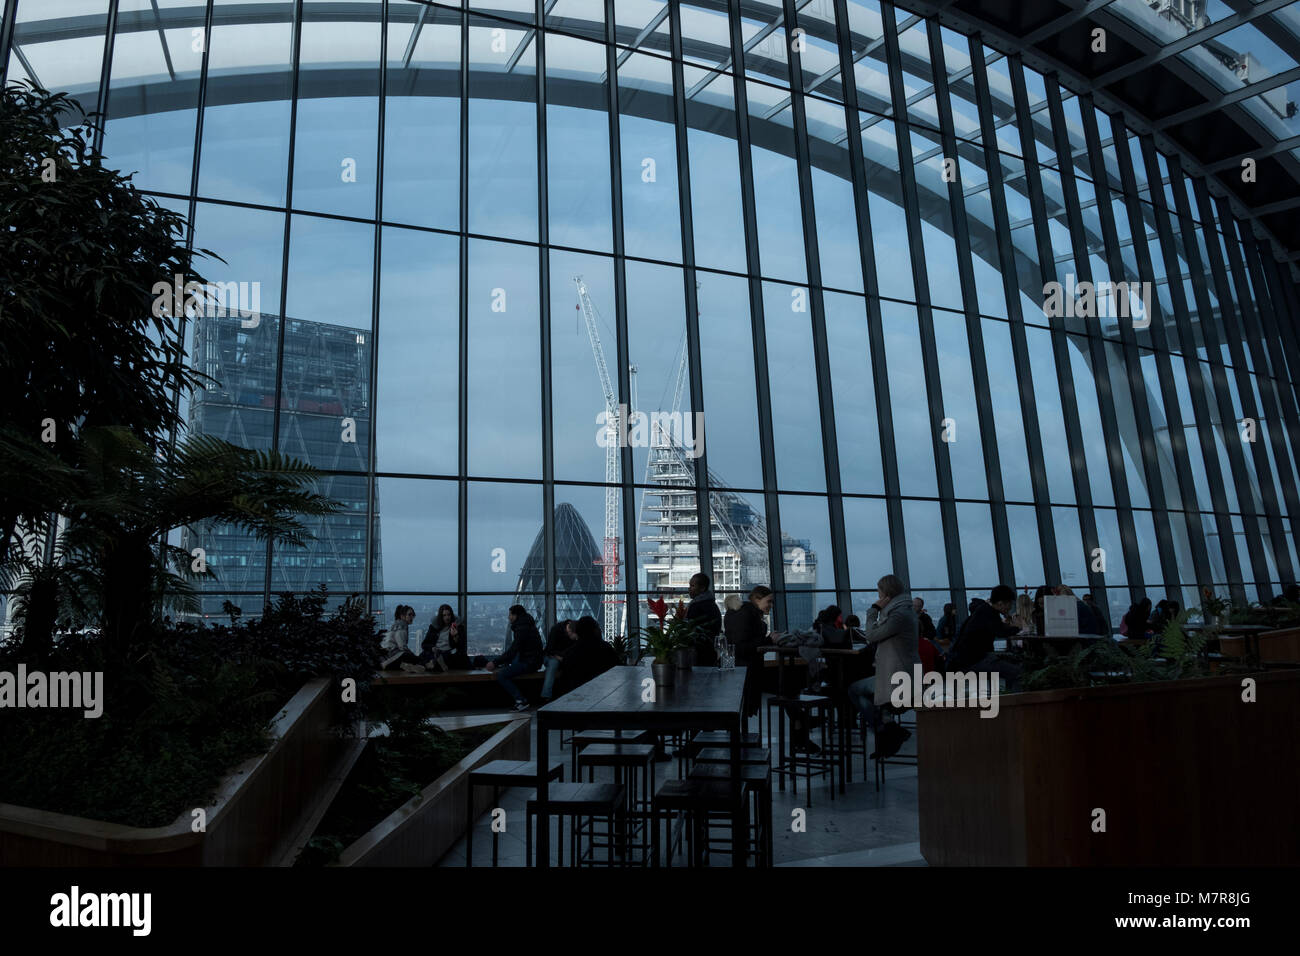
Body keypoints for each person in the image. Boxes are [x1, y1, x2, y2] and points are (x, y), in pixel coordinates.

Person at [846, 575, 920, 753]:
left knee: (855, 690)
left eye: (879, 591)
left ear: (886, 593)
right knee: (870, 696)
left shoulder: (899, 615)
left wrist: (872, 611)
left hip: (900, 678)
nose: (877, 596)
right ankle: (887, 727)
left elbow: (871, 635)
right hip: (901, 673)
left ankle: (887, 729)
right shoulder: (904, 611)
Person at [947, 585, 1022, 690]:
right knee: (1017, 673)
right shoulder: (989, 613)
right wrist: (1018, 627)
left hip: (965, 660)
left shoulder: (983, 610)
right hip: (973, 661)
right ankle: (1015, 701)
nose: (1010, 608)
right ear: (1001, 603)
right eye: (1009, 604)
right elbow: (1001, 632)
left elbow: (997, 628)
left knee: (1008, 666)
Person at [731, 585, 777, 724]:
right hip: (747, 670)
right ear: (757, 599)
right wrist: (770, 640)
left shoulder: (745, 613)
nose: (771, 605)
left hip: (744, 669)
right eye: (769, 601)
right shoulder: (749, 615)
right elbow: (743, 646)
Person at [485, 604, 544, 711]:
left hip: (529, 662)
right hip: (532, 659)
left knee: (502, 675)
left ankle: (520, 700)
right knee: (507, 667)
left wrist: (495, 662)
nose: (509, 617)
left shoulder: (522, 628)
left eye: (510, 614)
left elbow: (513, 650)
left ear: (516, 615)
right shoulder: (526, 624)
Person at [553, 615, 619, 695]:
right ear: (595, 629)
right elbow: (617, 667)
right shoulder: (606, 648)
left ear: (578, 631)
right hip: (605, 692)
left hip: (578, 695)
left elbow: (566, 675)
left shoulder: (573, 651)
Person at [683, 573, 722, 666]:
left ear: (702, 588)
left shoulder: (697, 606)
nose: (689, 588)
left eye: (692, 586)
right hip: (710, 651)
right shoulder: (711, 604)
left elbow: (689, 630)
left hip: (699, 653)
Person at [418, 603, 469, 671]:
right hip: (435, 651)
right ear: (440, 617)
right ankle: (431, 664)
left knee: (446, 658)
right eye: (444, 615)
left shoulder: (458, 627)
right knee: (425, 656)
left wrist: (455, 636)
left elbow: (461, 646)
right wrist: (432, 648)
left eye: (448, 615)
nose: (447, 617)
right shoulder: (434, 627)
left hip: (448, 652)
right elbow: (424, 644)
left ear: (452, 615)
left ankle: (429, 665)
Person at [539, 619, 577, 703]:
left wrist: (564, 657)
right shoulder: (556, 629)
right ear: (569, 630)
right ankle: (546, 696)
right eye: (571, 634)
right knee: (553, 664)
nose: (572, 637)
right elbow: (550, 650)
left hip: (562, 656)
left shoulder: (574, 632)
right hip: (550, 656)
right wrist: (562, 656)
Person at [382, 605, 423, 671]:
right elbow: (402, 647)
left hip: (386, 657)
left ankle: (404, 665)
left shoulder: (396, 625)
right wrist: (413, 656)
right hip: (392, 657)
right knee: (416, 659)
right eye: (409, 615)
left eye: (413, 615)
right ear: (402, 616)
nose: (411, 617)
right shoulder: (402, 627)